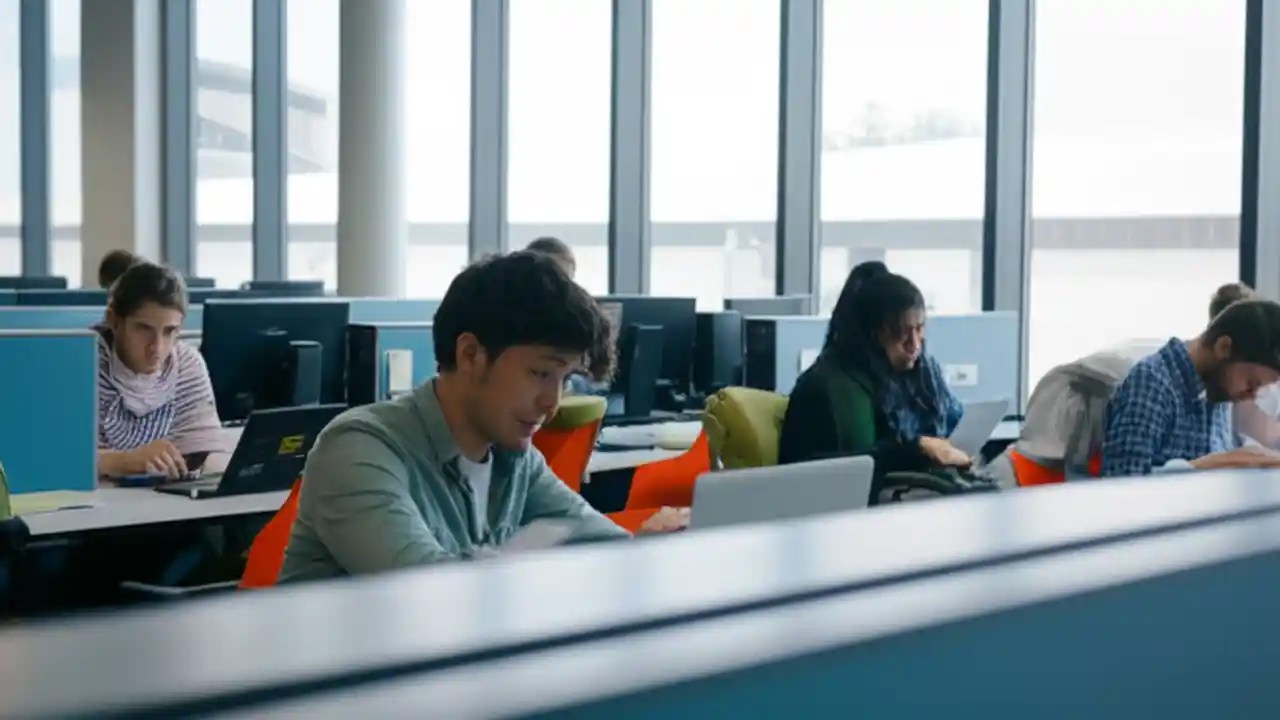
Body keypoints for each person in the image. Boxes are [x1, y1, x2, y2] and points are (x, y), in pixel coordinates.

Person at [280, 251, 684, 582]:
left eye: (565, 379)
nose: (552, 402)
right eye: (541, 373)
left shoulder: (516, 462)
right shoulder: (359, 449)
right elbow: (427, 593)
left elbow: (603, 545)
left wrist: (649, 549)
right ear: (470, 354)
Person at [778, 268, 969, 488]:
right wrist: (917, 450)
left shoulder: (922, 375)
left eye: (919, 328)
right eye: (901, 331)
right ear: (875, 333)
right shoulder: (836, 388)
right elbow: (851, 469)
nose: (914, 344)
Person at [1101, 298, 1280, 476]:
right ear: (1224, 348)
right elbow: (1122, 478)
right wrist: (1217, 464)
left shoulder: (1216, 388)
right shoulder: (1152, 383)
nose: (1252, 396)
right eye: (1251, 383)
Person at [95, 262, 225, 479]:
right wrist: (124, 461)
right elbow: (58, 457)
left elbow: (205, 451)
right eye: (143, 329)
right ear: (114, 321)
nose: (157, 347)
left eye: (169, 331)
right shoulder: (81, 364)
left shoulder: (186, 364)